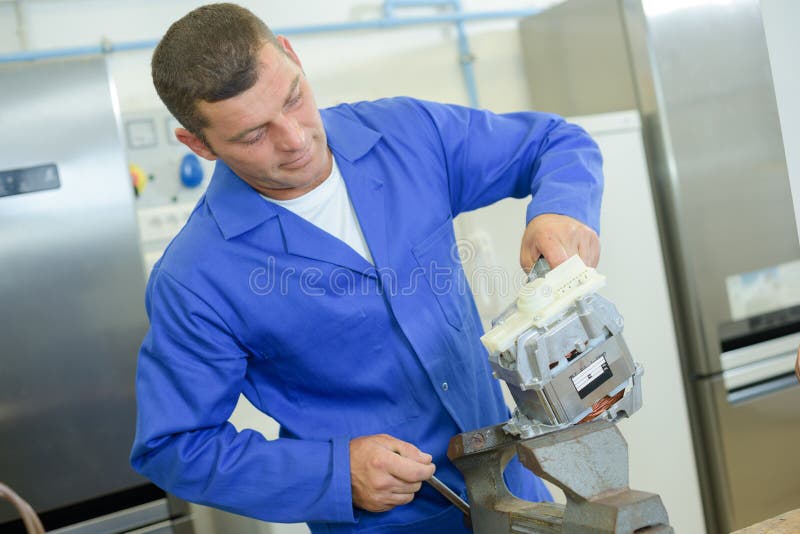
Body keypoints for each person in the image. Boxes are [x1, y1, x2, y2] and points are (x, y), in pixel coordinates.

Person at [130, 3, 603, 533]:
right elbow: (175, 447)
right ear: (199, 144)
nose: (295, 139)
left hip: (517, 495)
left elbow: (553, 142)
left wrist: (561, 210)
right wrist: (334, 473)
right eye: (252, 135)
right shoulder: (195, 279)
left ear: (291, 55)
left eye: (294, 99)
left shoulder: (405, 136)